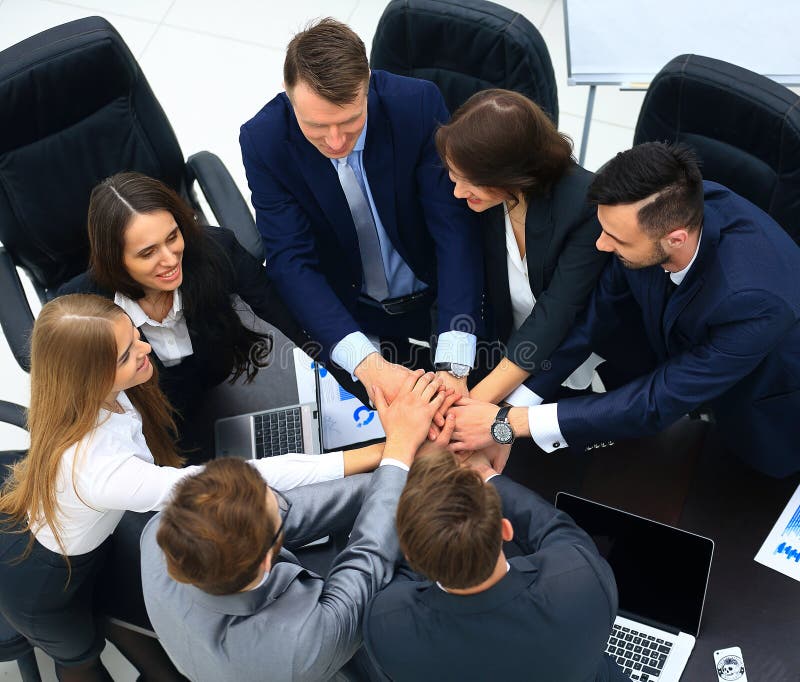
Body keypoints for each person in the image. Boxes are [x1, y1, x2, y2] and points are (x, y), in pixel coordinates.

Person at [0, 294, 382, 682]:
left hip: (90, 540)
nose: (145, 349)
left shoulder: (78, 396)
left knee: (111, 612)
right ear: (90, 377)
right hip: (44, 584)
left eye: (135, 336)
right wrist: (375, 455)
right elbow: (244, 482)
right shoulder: (101, 470)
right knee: (81, 657)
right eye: (126, 355)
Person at [448, 142, 800, 477]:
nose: (601, 245)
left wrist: (508, 425)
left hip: (764, 410)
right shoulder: (658, 212)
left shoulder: (758, 302)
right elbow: (592, 318)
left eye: (616, 239)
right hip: (678, 369)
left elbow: (656, 402)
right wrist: (506, 410)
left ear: (675, 239)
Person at [140, 370, 454, 682]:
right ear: (265, 561)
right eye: (277, 508)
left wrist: (398, 464)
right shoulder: (300, 645)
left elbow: (293, 512)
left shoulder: (163, 530)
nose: (285, 503)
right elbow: (368, 561)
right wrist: (403, 459)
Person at [240, 18, 484, 405]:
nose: (336, 141)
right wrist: (367, 364)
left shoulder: (417, 105)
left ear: (368, 85)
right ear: (288, 94)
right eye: (317, 126)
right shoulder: (264, 140)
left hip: (439, 296)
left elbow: (454, 230)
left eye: (350, 121)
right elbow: (291, 260)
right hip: (349, 314)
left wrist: (454, 366)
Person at [59, 172, 362, 455]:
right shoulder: (82, 309)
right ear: (115, 259)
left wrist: (367, 381)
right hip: (145, 421)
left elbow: (297, 322)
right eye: (148, 252)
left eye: (172, 237)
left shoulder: (216, 250)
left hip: (217, 386)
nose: (170, 260)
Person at [363, 451, 625, 681]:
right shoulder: (582, 580)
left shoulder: (387, 626)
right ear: (505, 529)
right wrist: (484, 472)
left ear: (411, 556)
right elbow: (558, 529)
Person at [435, 88, 608, 410]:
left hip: (571, 364)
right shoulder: (483, 199)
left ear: (510, 172)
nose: (457, 192)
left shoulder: (584, 205)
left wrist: (472, 406)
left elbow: (556, 314)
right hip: (501, 353)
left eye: (469, 181)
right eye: (454, 177)